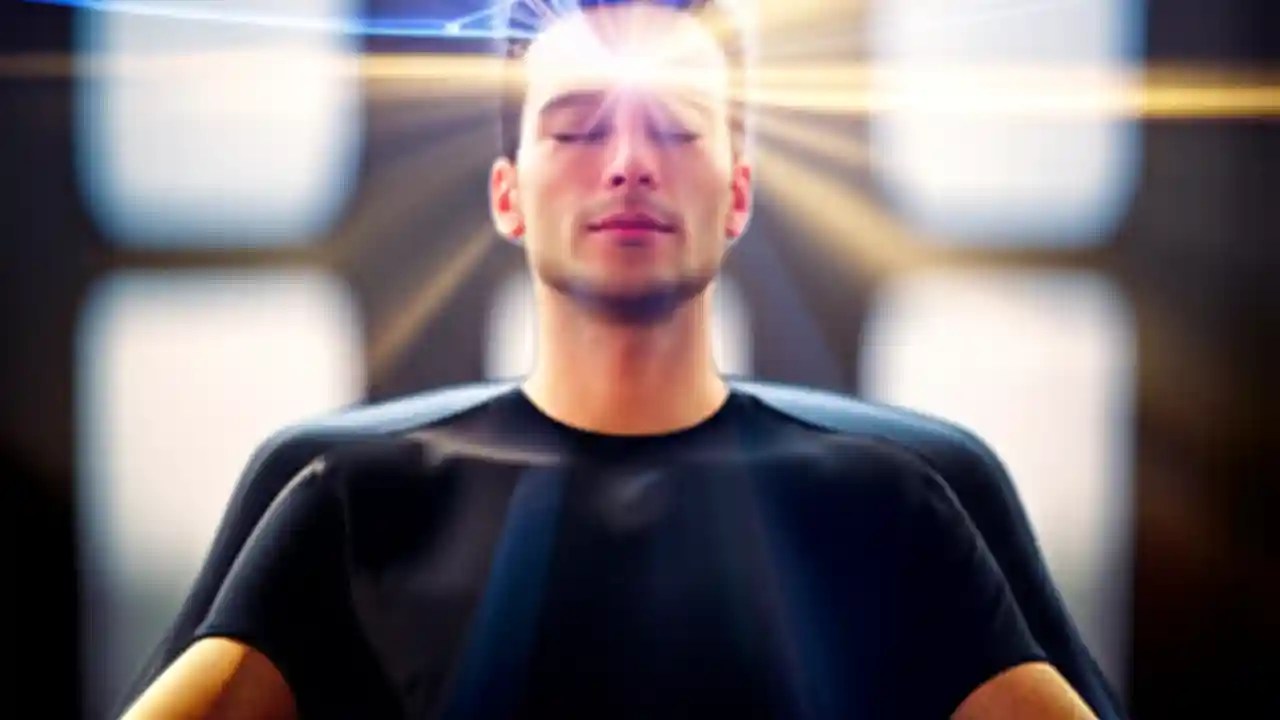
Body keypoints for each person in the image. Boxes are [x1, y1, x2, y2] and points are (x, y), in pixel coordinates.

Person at [121, 2, 1113, 718]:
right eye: (577, 127)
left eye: (675, 127)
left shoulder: (891, 505)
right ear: (507, 198)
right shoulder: (351, 500)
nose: (629, 163)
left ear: (737, 197)